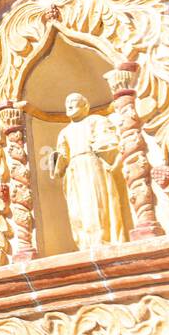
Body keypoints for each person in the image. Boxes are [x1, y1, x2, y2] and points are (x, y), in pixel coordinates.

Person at [49, 92, 128, 249]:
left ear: (85, 106)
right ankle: (86, 243)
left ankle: (103, 239)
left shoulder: (95, 121)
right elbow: (62, 158)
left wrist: (106, 152)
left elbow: (108, 142)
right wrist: (56, 160)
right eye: (67, 102)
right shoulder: (64, 132)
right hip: (73, 171)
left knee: (95, 202)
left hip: (91, 164)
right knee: (77, 209)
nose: (69, 105)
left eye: (74, 101)